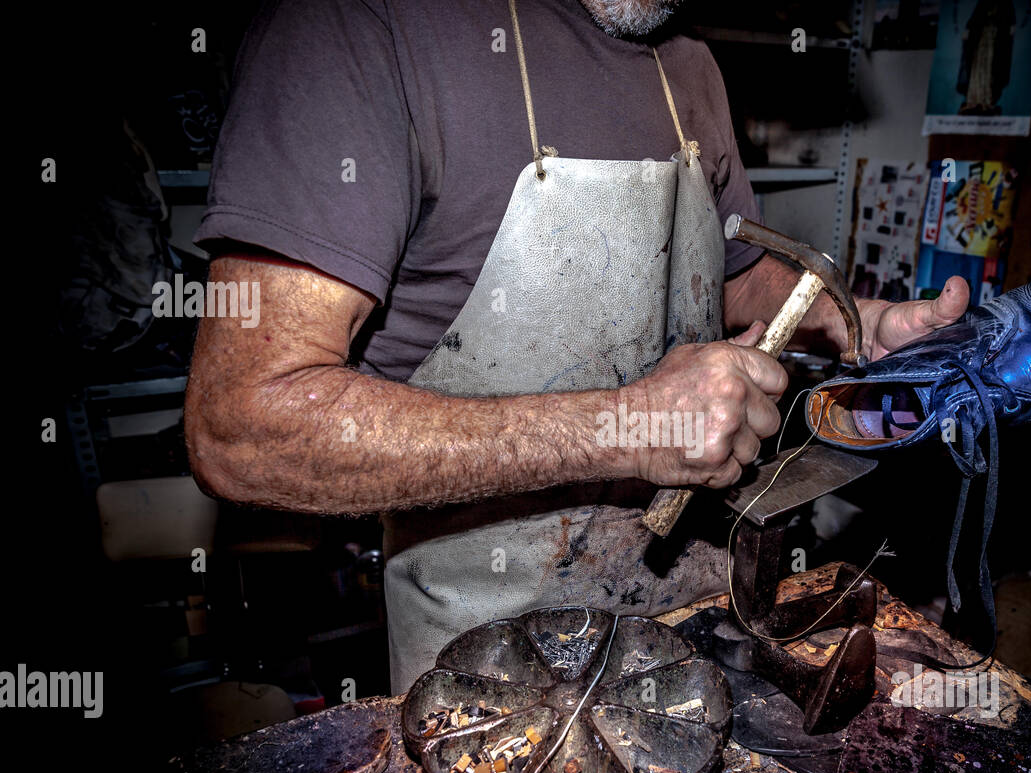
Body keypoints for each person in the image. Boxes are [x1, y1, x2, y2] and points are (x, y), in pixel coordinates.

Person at [184, 0, 967, 692]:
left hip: (694, 627)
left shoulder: (690, 63)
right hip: (493, 671)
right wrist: (628, 427)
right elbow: (242, 427)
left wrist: (849, 314)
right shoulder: (362, 27)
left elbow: (733, 270)